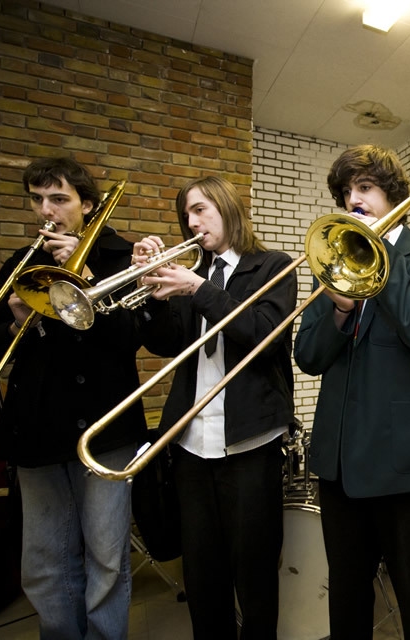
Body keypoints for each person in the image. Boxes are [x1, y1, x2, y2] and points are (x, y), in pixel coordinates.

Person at [0, 156, 156, 639]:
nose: (45, 211)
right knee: (45, 560)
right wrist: (16, 320)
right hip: (36, 427)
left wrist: (87, 279)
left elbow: (130, 337)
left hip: (104, 428)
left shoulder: (120, 256)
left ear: (88, 205)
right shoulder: (21, 263)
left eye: (58, 199)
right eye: (37, 199)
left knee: (105, 556)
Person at [293, 145, 410, 639]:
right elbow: (308, 356)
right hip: (341, 464)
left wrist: (378, 252)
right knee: (347, 595)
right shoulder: (332, 262)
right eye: (346, 192)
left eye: (364, 188)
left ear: (393, 196)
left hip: (405, 463)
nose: (353, 200)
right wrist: (340, 310)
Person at [135, 176, 296, 639]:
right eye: (187, 214)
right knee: (203, 580)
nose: (192, 221)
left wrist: (199, 288)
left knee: (256, 576)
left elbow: (264, 338)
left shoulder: (272, 266)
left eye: (201, 209)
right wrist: (150, 294)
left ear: (227, 208)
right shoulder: (193, 274)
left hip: (250, 445)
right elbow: (165, 343)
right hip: (190, 446)